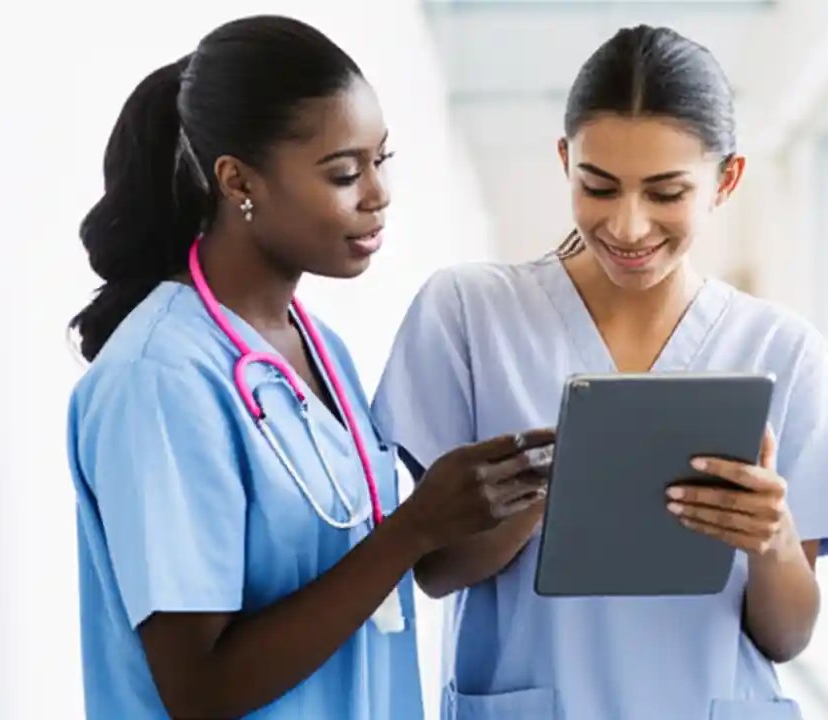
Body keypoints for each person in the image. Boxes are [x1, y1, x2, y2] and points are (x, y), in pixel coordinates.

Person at [373, 24, 828, 720]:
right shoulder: (468, 314)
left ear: (726, 180)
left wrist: (774, 541)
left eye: (666, 192)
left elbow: (787, 636)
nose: (630, 226)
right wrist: (552, 489)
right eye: (599, 186)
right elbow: (435, 571)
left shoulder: (783, 350)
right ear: (565, 162)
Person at [65, 15, 553, 720]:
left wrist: (541, 486)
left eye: (382, 162)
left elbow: (383, 571)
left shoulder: (316, 348)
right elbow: (200, 691)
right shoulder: (160, 376)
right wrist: (413, 528)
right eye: (345, 173)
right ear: (238, 181)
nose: (378, 195)